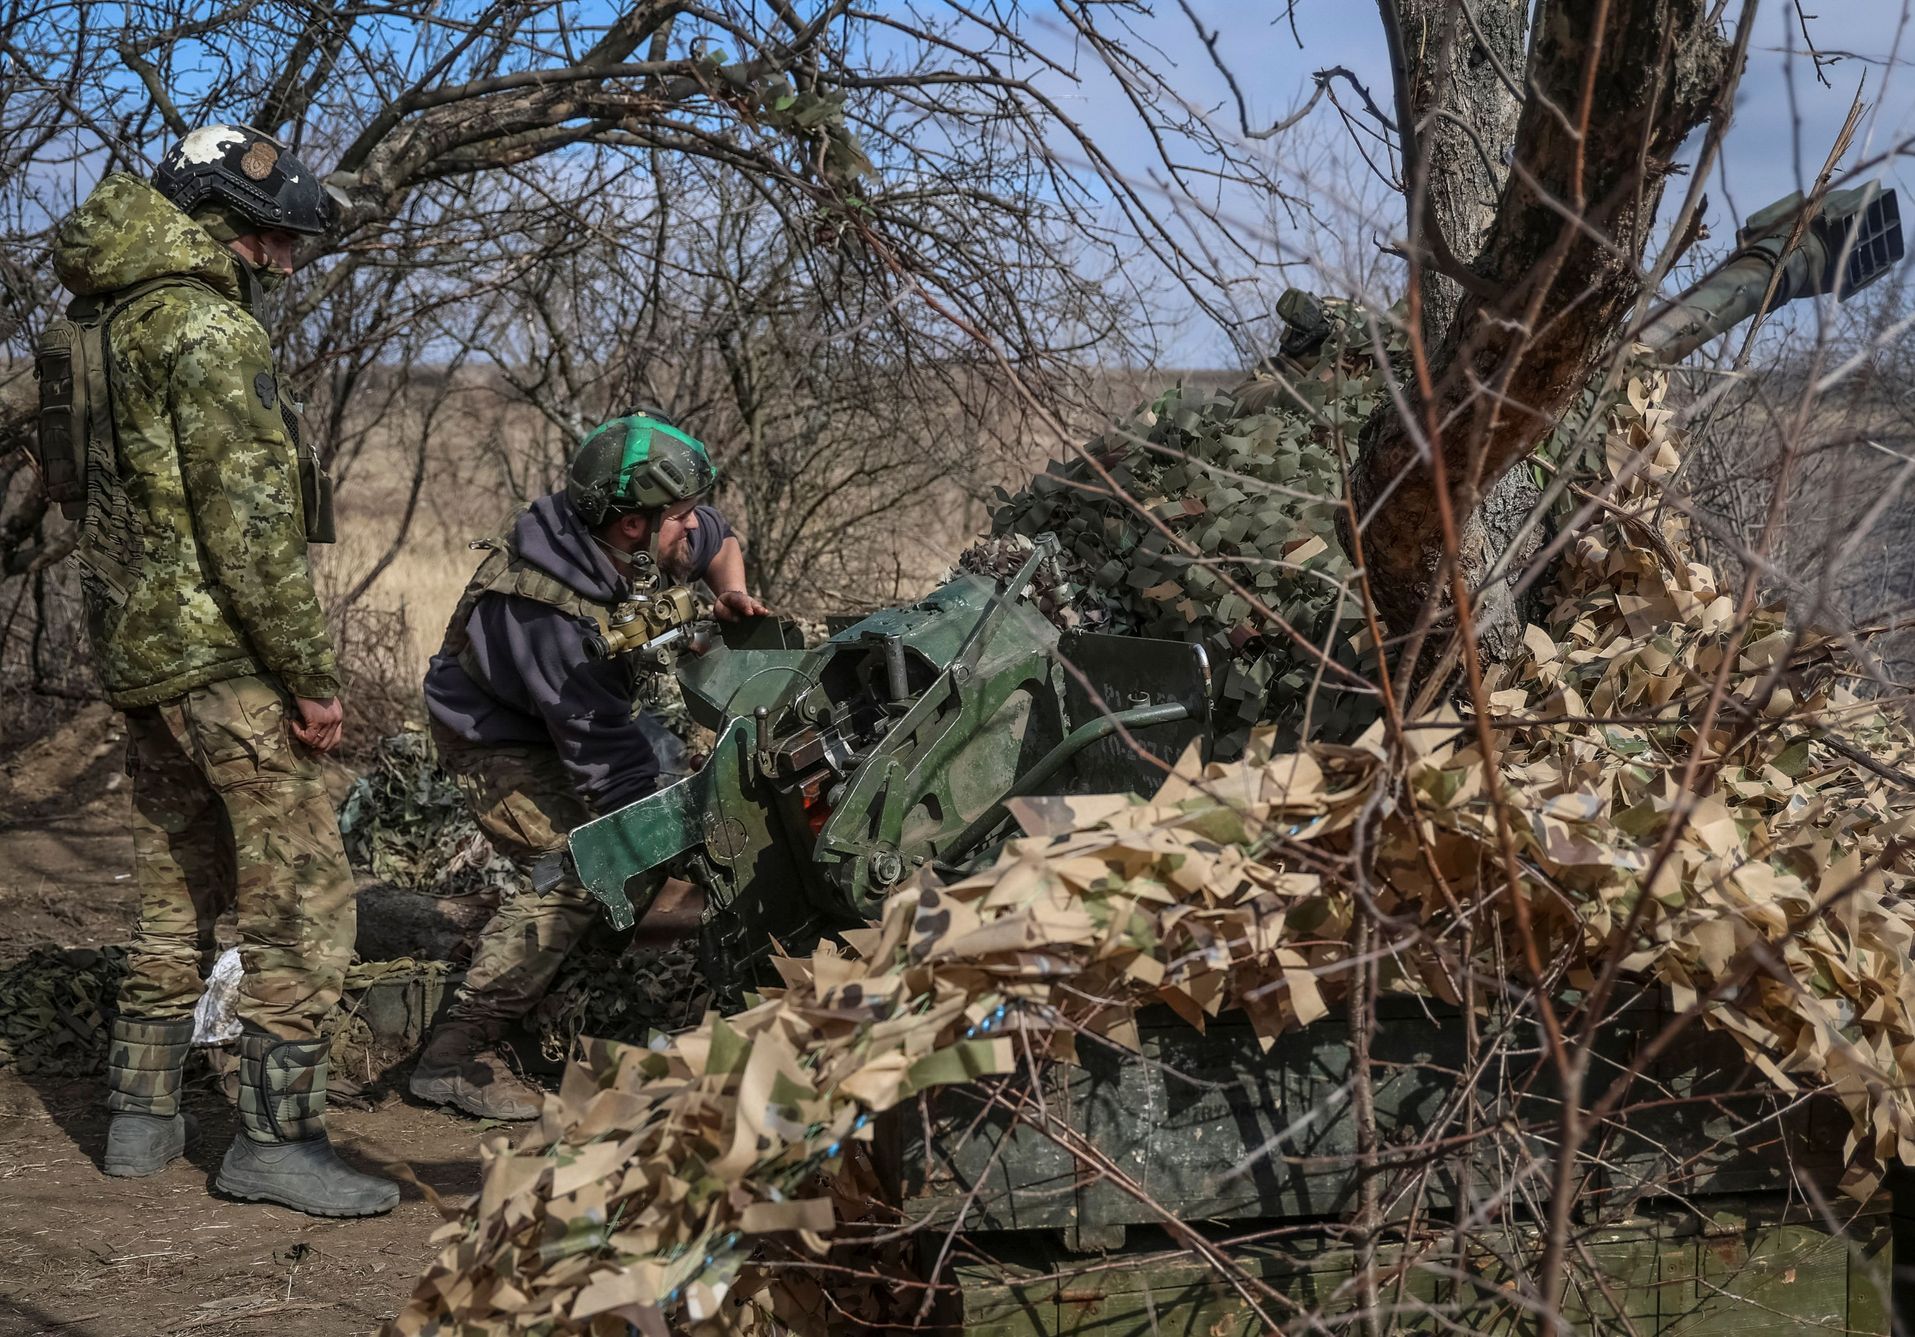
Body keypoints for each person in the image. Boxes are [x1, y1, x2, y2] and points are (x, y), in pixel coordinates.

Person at [53, 125, 398, 1216]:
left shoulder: (96, 321)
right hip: (219, 658)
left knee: (174, 885)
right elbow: (250, 529)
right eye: (277, 240)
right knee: (304, 896)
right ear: (229, 225)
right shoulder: (206, 327)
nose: (288, 262)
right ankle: (275, 1139)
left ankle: (139, 1117)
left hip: (136, 652)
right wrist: (309, 675)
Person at [412, 413, 767, 1119]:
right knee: (578, 868)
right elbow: (614, 782)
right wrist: (673, 857)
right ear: (634, 527)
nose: (690, 531)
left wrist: (730, 590)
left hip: (572, 719)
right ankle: (453, 1054)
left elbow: (719, 537)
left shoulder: (632, 528)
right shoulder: (552, 619)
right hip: (494, 740)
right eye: (679, 519)